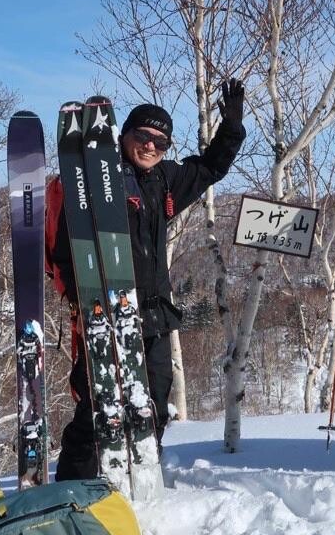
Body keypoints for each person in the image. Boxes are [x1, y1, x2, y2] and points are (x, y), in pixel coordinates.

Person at [50, 82, 247, 481]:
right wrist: (78, 298)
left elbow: (210, 168)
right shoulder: (92, 178)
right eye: (143, 136)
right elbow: (64, 247)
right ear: (124, 135)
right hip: (105, 315)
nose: (151, 146)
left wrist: (232, 126)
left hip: (155, 318)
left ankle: (140, 477)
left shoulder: (164, 179)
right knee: (96, 405)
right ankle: (75, 488)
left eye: (161, 142)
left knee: (152, 405)